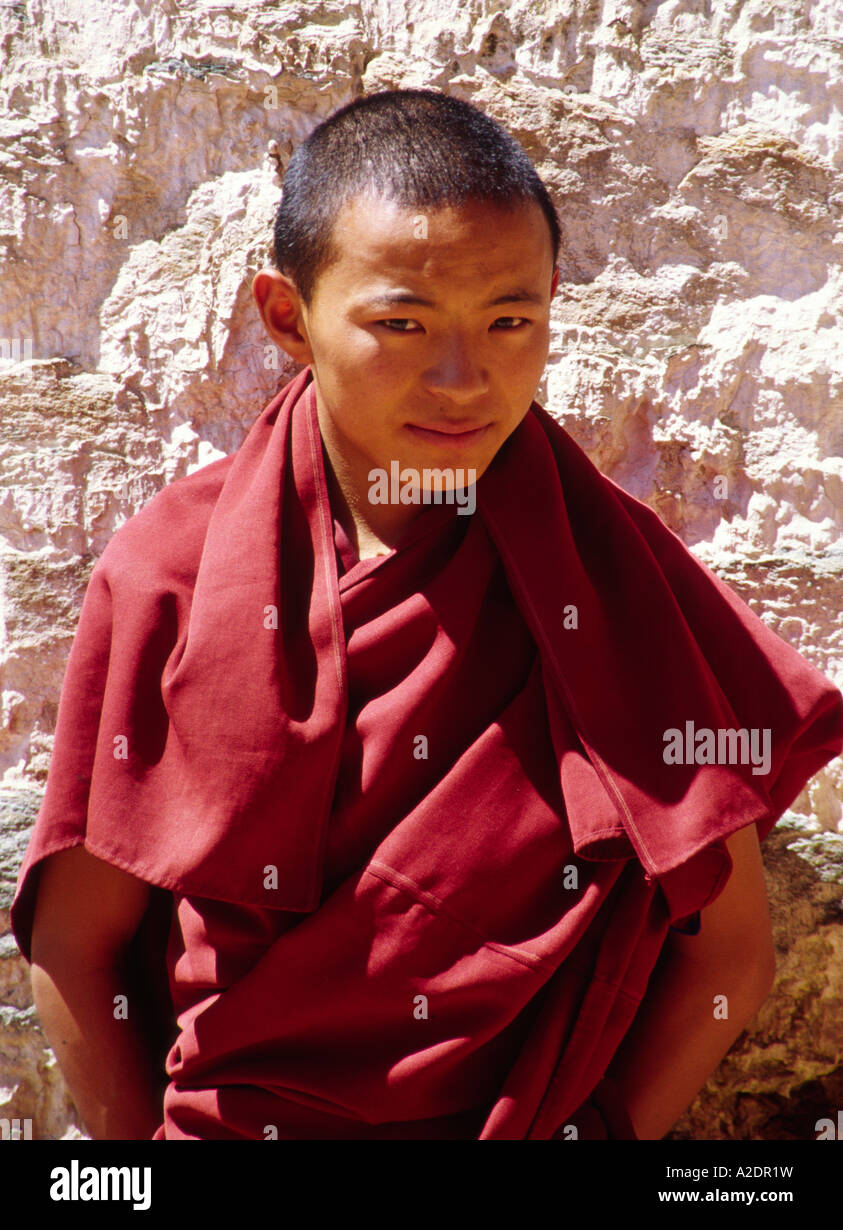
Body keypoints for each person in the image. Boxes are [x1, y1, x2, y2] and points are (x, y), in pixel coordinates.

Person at [10, 90, 843, 1141]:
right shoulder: (173, 572)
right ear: (287, 316)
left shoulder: (615, 582)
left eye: (511, 321)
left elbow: (731, 957)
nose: (464, 380)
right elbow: (77, 942)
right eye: (402, 322)